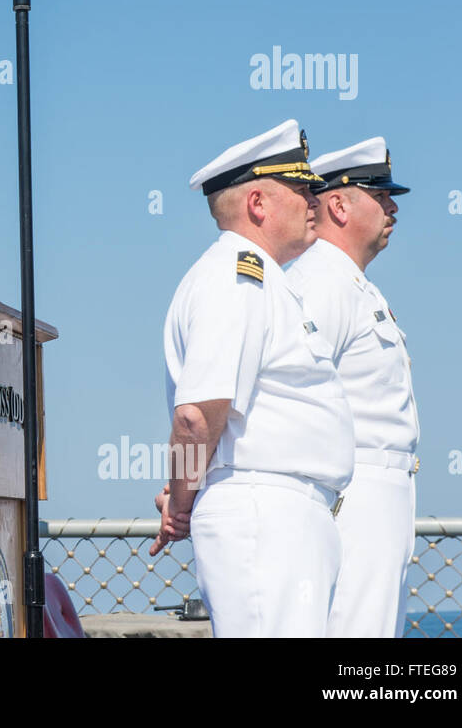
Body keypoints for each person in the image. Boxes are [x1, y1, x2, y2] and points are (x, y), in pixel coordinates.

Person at [152, 119, 354, 637]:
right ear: (259, 203)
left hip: (288, 516)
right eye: (302, 188)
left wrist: (181, 499)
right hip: (266, 514)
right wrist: (179, 502)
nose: (315, 201)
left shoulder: (260, 279)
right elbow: (195, 417)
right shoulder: (236, 276)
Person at [285, 138, 417, 638]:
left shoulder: (351, 284)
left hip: (378, 492)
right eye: (380, 194)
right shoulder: (324, 282)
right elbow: (297, 389)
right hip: (352, 492)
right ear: (338, 204)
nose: (393, 206)